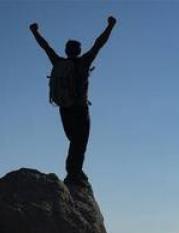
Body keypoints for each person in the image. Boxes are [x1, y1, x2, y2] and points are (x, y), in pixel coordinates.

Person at [30, 16, 117, 185]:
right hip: (80, 108)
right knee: (80, 141)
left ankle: (75, 170)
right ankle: (73, 173)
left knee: (74, 140)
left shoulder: (58, 62)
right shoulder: (84, 62)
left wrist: (35, 32)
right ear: (79, 50)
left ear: (66, 50)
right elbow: (99, 43)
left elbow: (45, 47)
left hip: (64, 107)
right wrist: (110, 26)